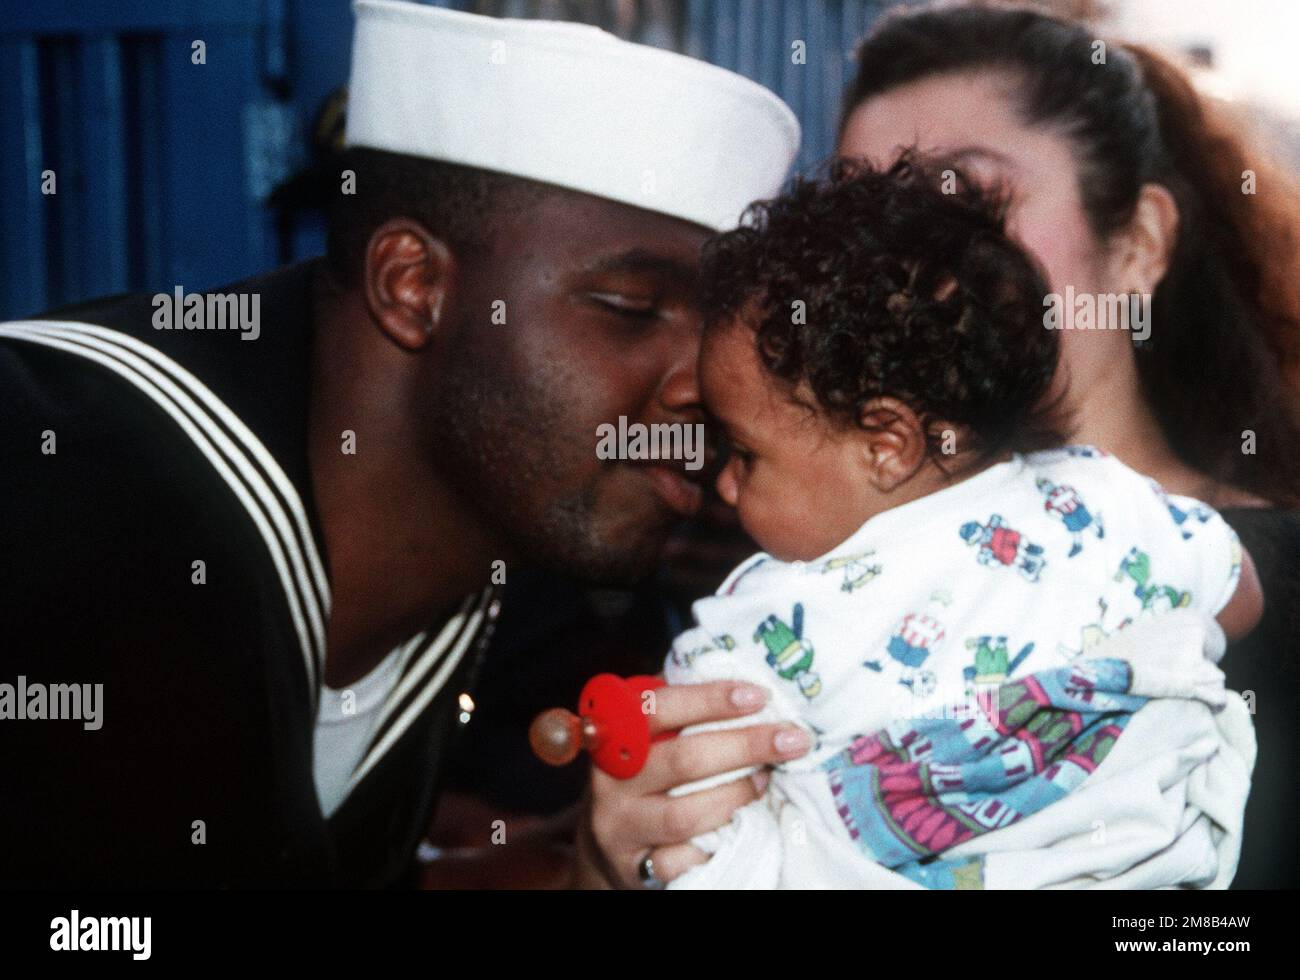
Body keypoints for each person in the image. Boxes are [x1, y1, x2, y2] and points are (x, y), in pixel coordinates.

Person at [0, 0, 799, 886]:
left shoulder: (457, 574)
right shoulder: (57, 466)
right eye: (633, 309)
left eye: (723, 335)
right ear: (412, 284)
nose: (705, 385)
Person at [579, 1, 1300, 890]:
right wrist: (623, 858)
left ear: (1141, 244)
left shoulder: (1276, 591)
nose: (894, 263)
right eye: (860, 216)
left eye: (966, 196)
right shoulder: (764, 565)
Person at [660, 157, 1257, 888]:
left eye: (746, 455)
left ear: (886, 446)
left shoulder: (764, 613)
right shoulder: (1100, 497)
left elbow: (698, 812)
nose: (723, 484)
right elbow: (1238, 590)